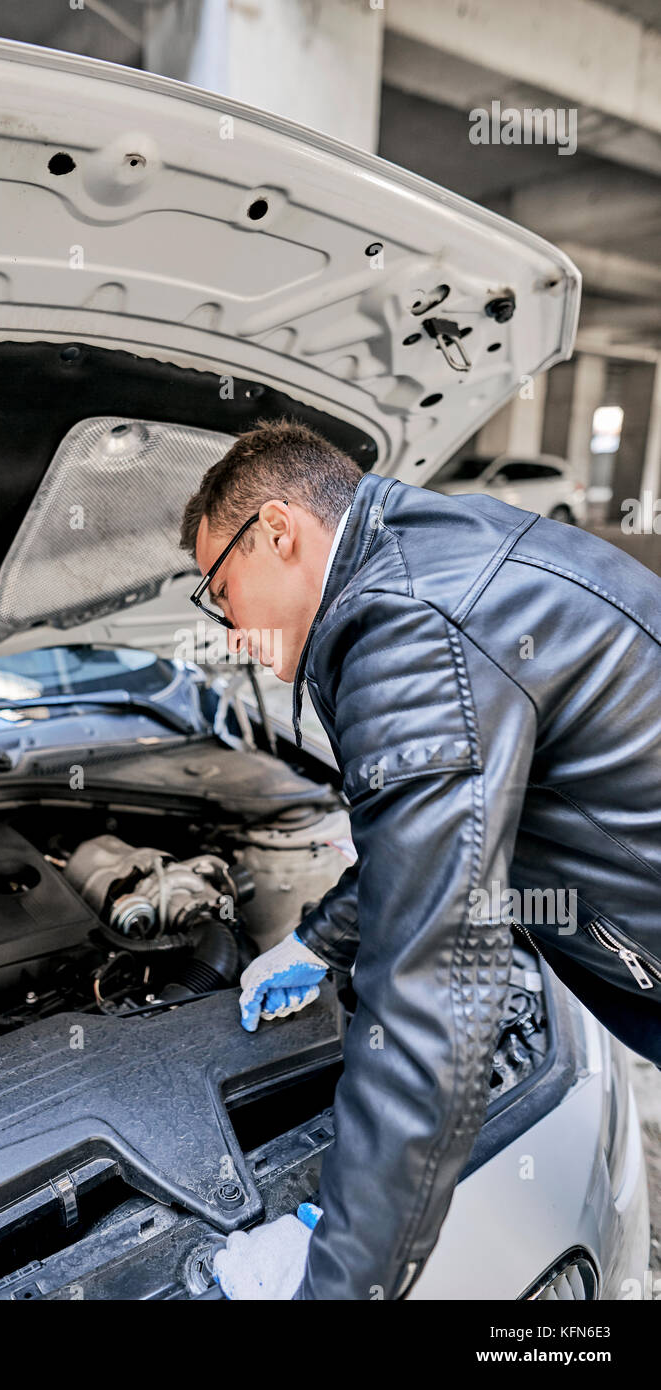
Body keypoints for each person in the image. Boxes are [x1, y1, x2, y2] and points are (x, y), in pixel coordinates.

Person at [179, 418, 661, 1301]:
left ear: (278, 531)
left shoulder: (408, 629)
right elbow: (443, 836)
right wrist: (319, 943)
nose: (230, 629)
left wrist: (337, 1277)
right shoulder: (422, 559)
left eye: (218, 592)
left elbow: (432, 993)